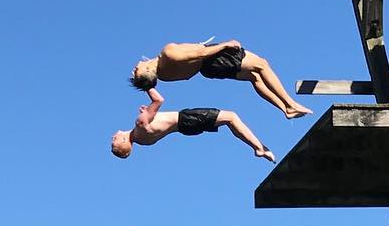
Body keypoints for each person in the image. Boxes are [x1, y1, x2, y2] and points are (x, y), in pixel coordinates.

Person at [131, 40, 311, 119]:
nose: (134, 68)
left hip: (208, 70)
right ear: (147, 70)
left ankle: (285, 109)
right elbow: (200, 53)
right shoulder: (168, 54)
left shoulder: (164, 76)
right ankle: (290, 104)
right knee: (262, 65)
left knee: (254, 77)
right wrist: (225, 45)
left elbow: (187, 76)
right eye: (136, 71)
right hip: (213, 57)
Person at [111, 88, 274, 163]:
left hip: (184, 128)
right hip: (187, 118)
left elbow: (158, 124)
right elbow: (159, 100)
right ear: (124, 142)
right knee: (231, 117)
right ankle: (258, 148)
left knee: (229, 120)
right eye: (115, 140)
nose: (113, 136)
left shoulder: (143, 141)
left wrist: (148, 112)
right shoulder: (140, 123)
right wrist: (145, 83)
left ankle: (258, 147)